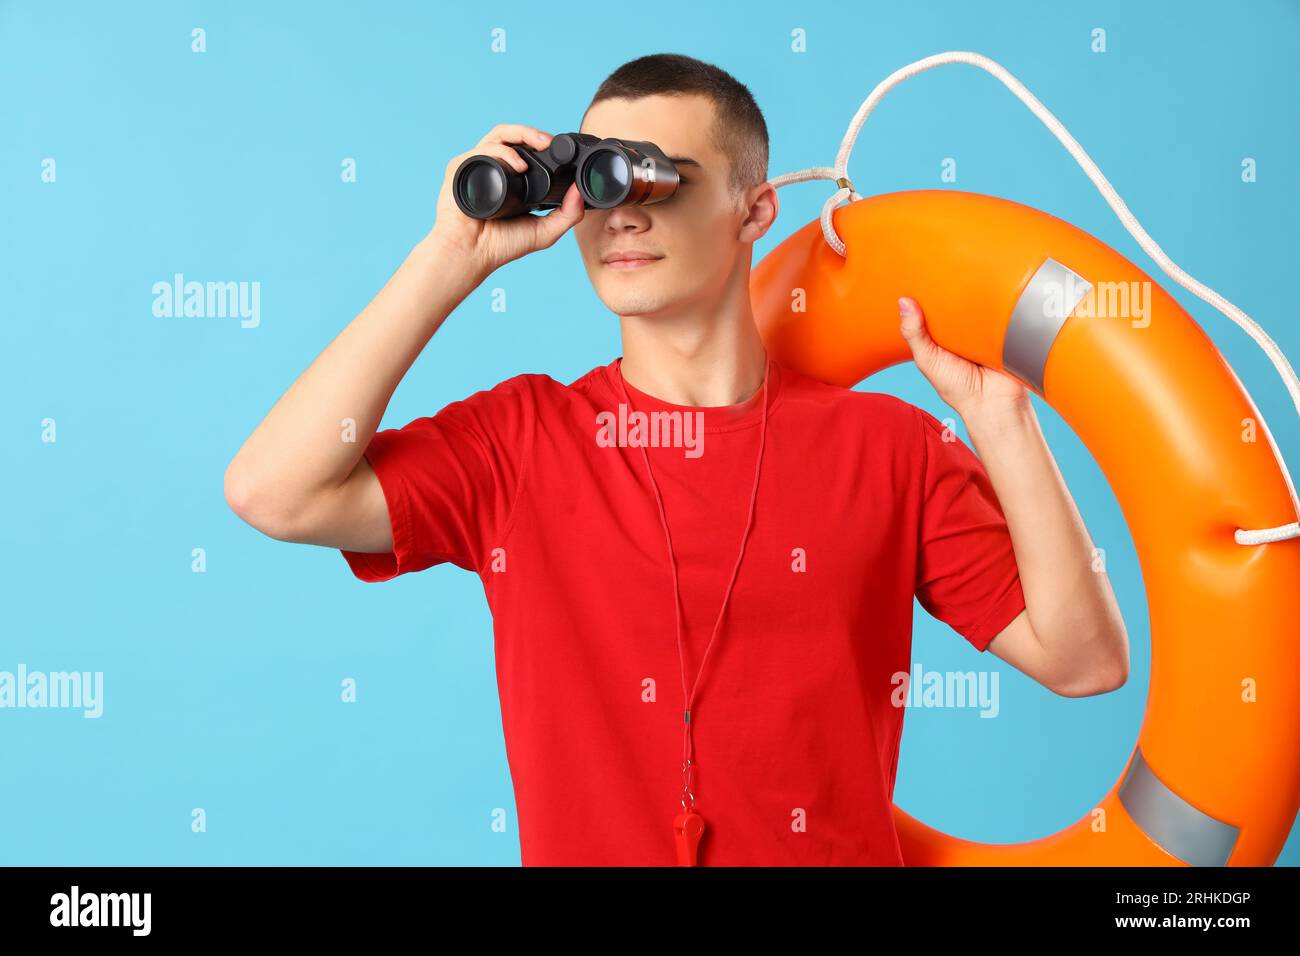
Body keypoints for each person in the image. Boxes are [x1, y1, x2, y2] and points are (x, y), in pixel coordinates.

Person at [223, 53, 1129, 866]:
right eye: (599, 182)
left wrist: (1001, 418)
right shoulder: (521, 442)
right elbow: (273, 491)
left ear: (756, 209)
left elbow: (1083, 662)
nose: (623, 217)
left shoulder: (889, 447)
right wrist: (451, 255)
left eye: (658, 181)